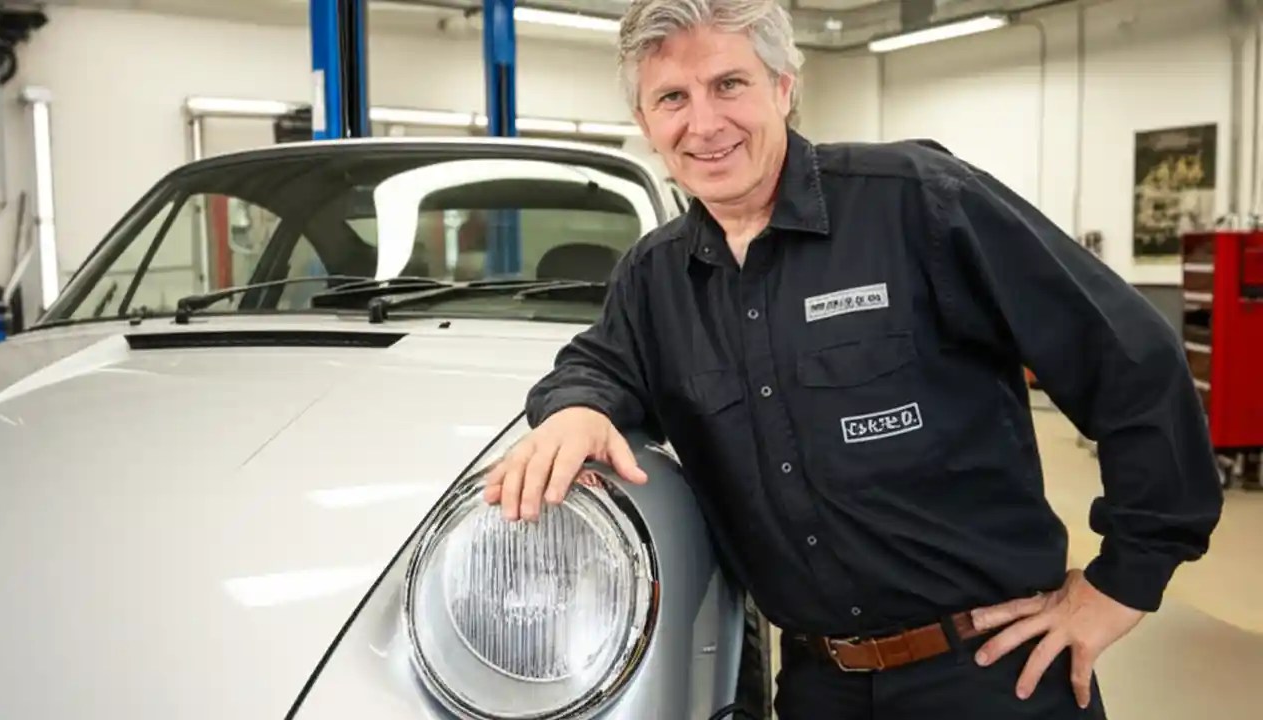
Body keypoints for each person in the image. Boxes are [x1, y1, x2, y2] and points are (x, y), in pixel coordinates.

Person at [483, 0, 1224, 717]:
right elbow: (598, 364)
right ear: (645, 122)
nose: (703, 123)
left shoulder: (918, 204)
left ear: (782, 86)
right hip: (819, 684)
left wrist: (1124, 583)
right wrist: (574, 408)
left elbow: (1130, 356)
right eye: (671, 97)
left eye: (728, 84)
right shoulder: (654, 279)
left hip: (994, 677)